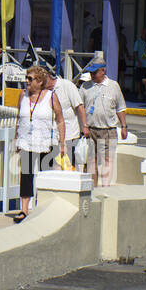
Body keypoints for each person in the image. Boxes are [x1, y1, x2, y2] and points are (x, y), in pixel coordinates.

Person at [15, 65, 65, 220]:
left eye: (30, 78)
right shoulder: (22, 95)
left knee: (45, 174)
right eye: (26, 78)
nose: (26, 81)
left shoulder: (51, 96)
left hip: (45, 141)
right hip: (26, 141)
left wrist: (62, 143)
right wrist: (16, 138)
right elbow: (19, 118)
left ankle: (43, 208)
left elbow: (60, 120)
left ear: (40, 81)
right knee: (26, 174)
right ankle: (24, 209)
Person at [81, 60, 128, 186]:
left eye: (95, 72)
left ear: (103, 71)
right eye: (91, 73)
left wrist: (124, 126)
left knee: (108, 160)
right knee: (92, 161)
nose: (92, 75)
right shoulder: (85, 87)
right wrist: (84, 126)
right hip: (91, 130)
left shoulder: (113, 86)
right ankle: (92, 188)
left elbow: (120, 108)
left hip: (109, 130)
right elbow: (80, 108)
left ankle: (105, 188)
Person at [46, 67, 88, 168]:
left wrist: (85, 126)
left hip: (69, 135)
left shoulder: (67, 85)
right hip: (52, 137)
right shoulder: (44, 91)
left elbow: (79, 106)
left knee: (68, 168)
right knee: (53, 168)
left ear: (48, 77)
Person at [133, 27, 146, 99]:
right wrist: (139, 61)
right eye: (143, 32)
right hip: (140, 64)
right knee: (139, 80)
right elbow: (135, 52)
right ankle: (139, 93)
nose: (145, 34)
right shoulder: (138, 42)